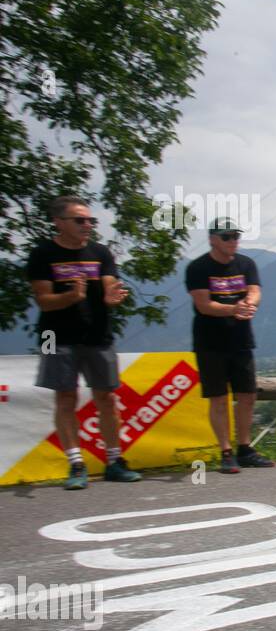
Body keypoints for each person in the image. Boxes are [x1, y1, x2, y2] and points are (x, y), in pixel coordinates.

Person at [26, 195, 141, 489]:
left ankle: (115, 461)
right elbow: (43, 301)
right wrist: (71, 297)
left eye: (91, 220)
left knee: (108, 398)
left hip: (98, 335)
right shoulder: (43, 254)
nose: (88, 225)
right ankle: (76, 464)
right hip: (54, 336)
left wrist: (111, 296)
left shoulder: (100, 252)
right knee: (65, 397)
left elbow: (109, 286)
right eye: (80, 220)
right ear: (59, 222)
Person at [186, 218, 275, 473]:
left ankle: (245, 448)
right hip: (210, 342)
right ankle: (225, 451)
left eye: (236, 236)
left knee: (247, 396)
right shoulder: (198, 267)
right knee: (218, 399)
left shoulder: (246, 264)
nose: (233, 241)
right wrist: (234, 308)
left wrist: (250, 303)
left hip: (241, 340)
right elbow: (204, 305)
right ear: (213, 239)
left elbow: (255, 290)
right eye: (227, 237)